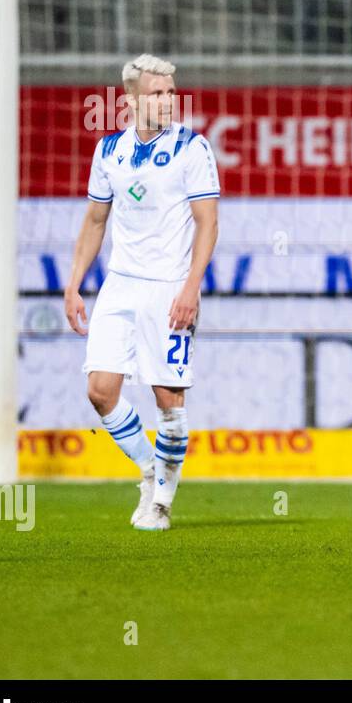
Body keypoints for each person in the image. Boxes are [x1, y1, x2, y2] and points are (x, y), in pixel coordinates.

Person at [64, 54, 220, 531]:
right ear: (131, 98)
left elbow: (207, 222)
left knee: (168, 400)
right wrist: (74, 285)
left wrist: (191, 288)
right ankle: (150, 471)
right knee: (100, 391)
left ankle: (162, 503)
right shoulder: (108, 150)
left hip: (169, 286)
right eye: (157, 93)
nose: (168, 100)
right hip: (120, 284)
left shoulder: (192, 148)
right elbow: (95, 220)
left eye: (171, 91)